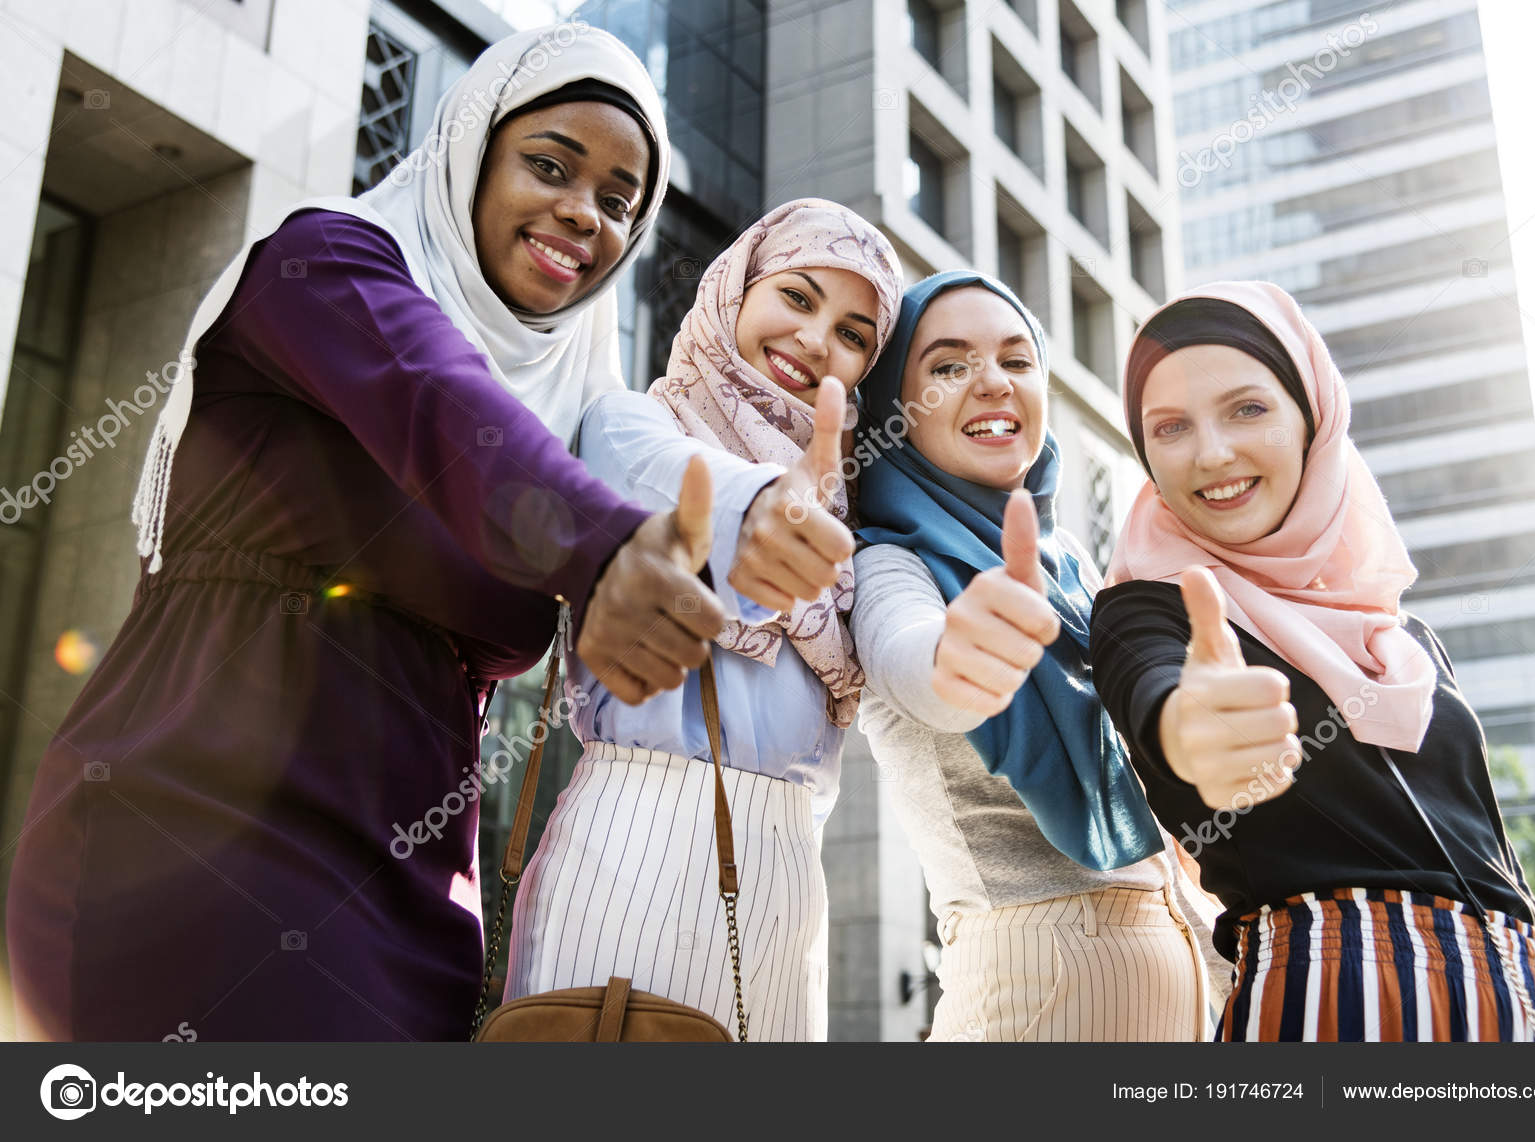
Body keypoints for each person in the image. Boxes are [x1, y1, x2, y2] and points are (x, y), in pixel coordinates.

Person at [6, 25, 728, 1042]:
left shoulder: (571, 411)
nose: (583, 213)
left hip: (417, 900)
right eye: (550, 165)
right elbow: (441, 405)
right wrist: (606, 545)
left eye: (618, 201)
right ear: (472, 150)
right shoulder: (324, 264)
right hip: (194, 840)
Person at [1089, 279, 1535, 1041]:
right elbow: (1156, 693)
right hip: (1336, 1003)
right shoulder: (1151, 607)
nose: (1214, 452)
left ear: (1312, 417)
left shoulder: (1406, 641)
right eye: (1170, 428)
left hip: (1525, 998)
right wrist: (1191, 730)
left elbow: (1501, 872)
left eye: (1248, 408)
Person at [505, 199, 903, 1041]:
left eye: (854, 333)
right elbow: (667, 488)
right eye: (796, 297)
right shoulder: (631, 421)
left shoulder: (853, 505)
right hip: (639, 852)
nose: (815, 339)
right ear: (735, 290)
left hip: (791, 881)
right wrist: (767, 507)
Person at [850, 271, 1219, 1042]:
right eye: (948, 366)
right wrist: (966, 659)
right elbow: (913, 663)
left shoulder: (1073, 570)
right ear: (895, 410)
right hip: (1031, 1002)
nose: (991, 382)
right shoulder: (888, 562)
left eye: (1018, 361)